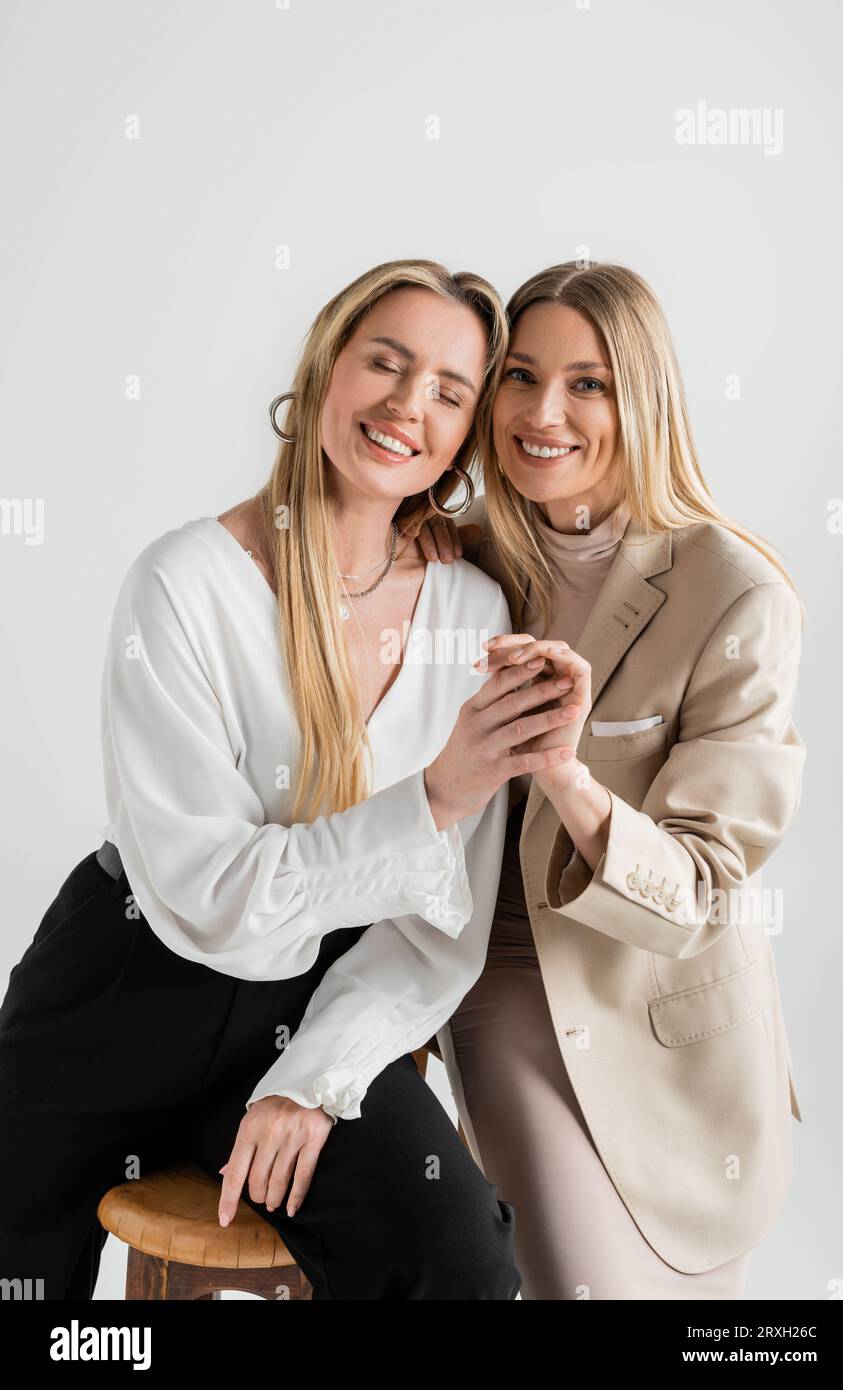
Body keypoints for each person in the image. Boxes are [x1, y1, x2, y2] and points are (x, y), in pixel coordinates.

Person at [0, 259, 581, 1300]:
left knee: (456, 1260)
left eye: (450, 392)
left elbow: (434, 927)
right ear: (324, 369)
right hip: (125, 983)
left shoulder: (470, 616)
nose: (409, 405)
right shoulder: (184, 584)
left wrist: (316, 1077)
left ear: (464, 435)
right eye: (386, 364)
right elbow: (211, 892)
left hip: (320, 995)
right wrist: (430, 800)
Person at [417, 261, 807, 1299]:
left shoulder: (737, 594)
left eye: (588, 383)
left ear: (643, 399)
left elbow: (704, 886)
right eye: (521, 376)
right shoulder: (453, 566)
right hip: (502, 981)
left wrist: (568, 778)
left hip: (674, 1016)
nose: (545, 414)